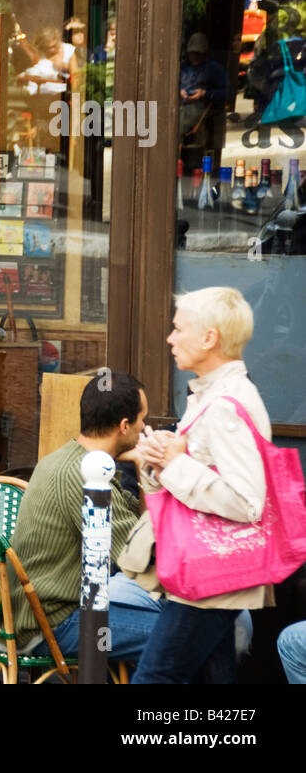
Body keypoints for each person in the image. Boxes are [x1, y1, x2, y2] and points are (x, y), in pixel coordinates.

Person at [124, 286, 272, 684]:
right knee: (210, 676)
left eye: (178, 329)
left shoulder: (225, 404)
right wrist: (162, 462)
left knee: (153, 677)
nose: (170, 339)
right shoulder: (213, 397)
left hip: (208, 573)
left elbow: (248, 502)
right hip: (208, 569)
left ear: (209, 339)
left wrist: (172, 463)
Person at [11, 371, 159, 664]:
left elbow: (137, 529)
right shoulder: (86, 477)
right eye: (142, 419)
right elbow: (142, 555)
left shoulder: (68, 459)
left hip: (37, 615)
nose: (146, 428)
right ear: (124, 426)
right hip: (53, 625)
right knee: (184, 640)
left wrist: (142, 470)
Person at [178, 31, 229, 174]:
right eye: (192, 53)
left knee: (196, 158)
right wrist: (178, 91)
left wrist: (205, 93)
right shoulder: (182, 68)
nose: (194, 56)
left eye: (197, 53)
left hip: (202, 117)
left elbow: (227, 93)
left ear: (204, 52)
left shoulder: (214, 69)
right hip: (180, 113)